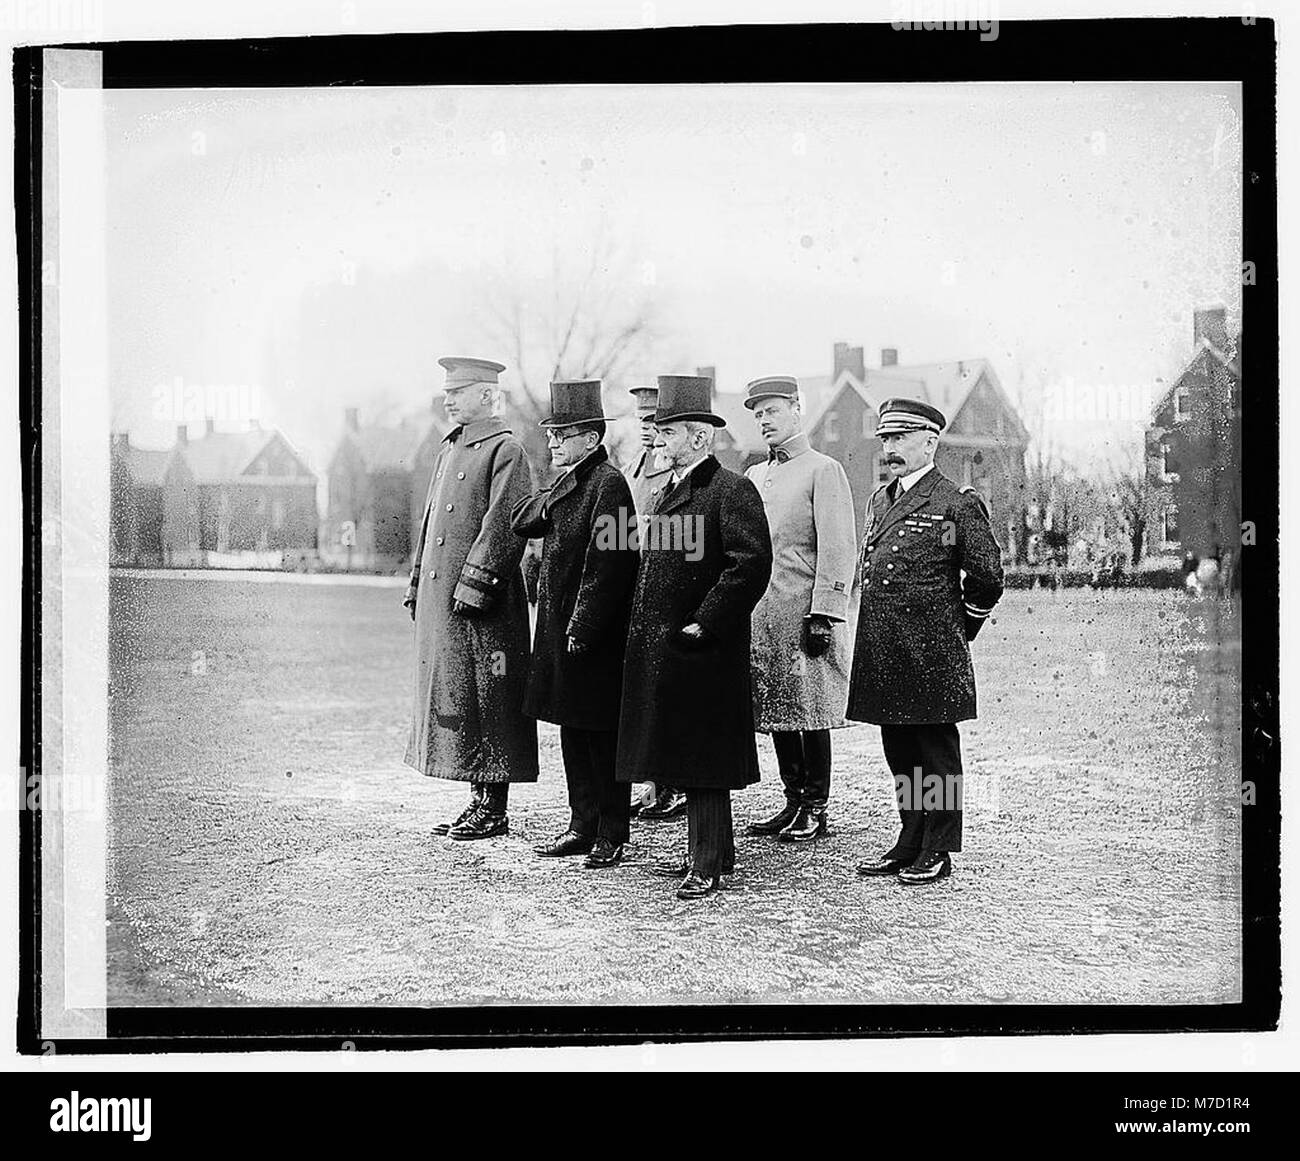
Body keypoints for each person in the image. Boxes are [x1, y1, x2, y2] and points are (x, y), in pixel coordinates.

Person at [616, 375, 773, 900]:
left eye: (670, 431)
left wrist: (705, 621)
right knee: (683, 751)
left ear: (701, 436)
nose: (660, 439)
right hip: (667, 647)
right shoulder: (668, 491)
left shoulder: (731, 489)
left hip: (705, 648)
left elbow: (750, 564)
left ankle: (706, 861)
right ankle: (710, 853)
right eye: (660, 431)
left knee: (704, 759)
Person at [848, 397, 1004, 885]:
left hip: (931, 651)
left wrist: (960, 629)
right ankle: (910, 838)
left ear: (929, 442)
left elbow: (987, 577)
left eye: (900, 439)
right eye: (886, 440)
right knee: (899, 750)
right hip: (886, 647)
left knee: (936, 756)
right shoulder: (881, 499)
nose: (891, 449)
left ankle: (938, 848)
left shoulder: (955, 502)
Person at [403, 356, 538, 840]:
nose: (448, 398)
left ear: (487, 395)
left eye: (458, 391)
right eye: (447, 391)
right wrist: (419, 581)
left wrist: (476, 583)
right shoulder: (449, 450)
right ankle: (477, 798)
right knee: (460, 697)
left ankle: (495, 805)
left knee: (491, 700)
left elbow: (505, 524)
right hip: (447, 602)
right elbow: (429, 526)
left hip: (485, 605)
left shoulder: (506, 451)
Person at [511, 380, 639, 868]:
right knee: (571, 729)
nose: (552, 443)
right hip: (562, 633)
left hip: (591, 636)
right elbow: (523, 521)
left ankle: (611, 831)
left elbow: (612, 564)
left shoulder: (608, 484)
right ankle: (581, 825)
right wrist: (556, 485)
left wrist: (583, 626)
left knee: (600, 735)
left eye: (561, 435)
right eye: (551, 435)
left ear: (590, 437)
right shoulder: (572, 483)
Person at [741, 376, 857, 842]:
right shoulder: (752, 475)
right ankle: (792, 800)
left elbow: (838, 546)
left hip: (804, 614)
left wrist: (826, 612)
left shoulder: (823, 469)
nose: (764, 420)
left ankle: (816, 804)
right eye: (757, 413)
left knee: (809, 709)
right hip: (763, 614)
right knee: (775, 707)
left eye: (771, 410)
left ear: (796, 409)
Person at [621, 384, 684, 821]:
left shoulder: (677, 474)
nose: (648, 431)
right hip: (635, 589)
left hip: (669, 594)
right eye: (642, 422)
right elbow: (620, 534)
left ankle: (675, 783)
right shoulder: (632, 468)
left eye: (655, 423)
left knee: (671, 693)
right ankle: (653, 783)